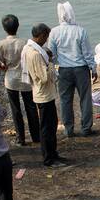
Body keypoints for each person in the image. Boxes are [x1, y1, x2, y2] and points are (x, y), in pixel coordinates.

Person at [21, 23, 67, 167]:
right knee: (47, 128)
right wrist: (51, 63)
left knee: (51, 125)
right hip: (43, 94)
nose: (46, 40)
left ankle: (53, 153)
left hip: (44, 93)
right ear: (41, 36)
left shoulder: (31, 49)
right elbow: (45, 76)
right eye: (46, 37)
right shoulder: (35, 54)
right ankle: (49, 158)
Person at [48, 1, 94, 136]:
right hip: (81, 69)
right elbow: (87, 53)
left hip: (64, 70)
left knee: (65, 100)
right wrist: (93, 68)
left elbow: (52, 54)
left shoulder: (54, 32)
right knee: (85, 99)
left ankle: (69, 129)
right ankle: (86, 128)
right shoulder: (81, 31)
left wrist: (57, 66)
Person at [0, 14, 40, 146]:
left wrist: (2, 65)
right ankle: (36, 136)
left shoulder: (1, 44)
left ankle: (21, 138)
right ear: (17, 26)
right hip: (25, 78)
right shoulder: (25, 42)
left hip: (11, 79)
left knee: (16, 110)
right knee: (31, 108)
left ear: (4, 28)